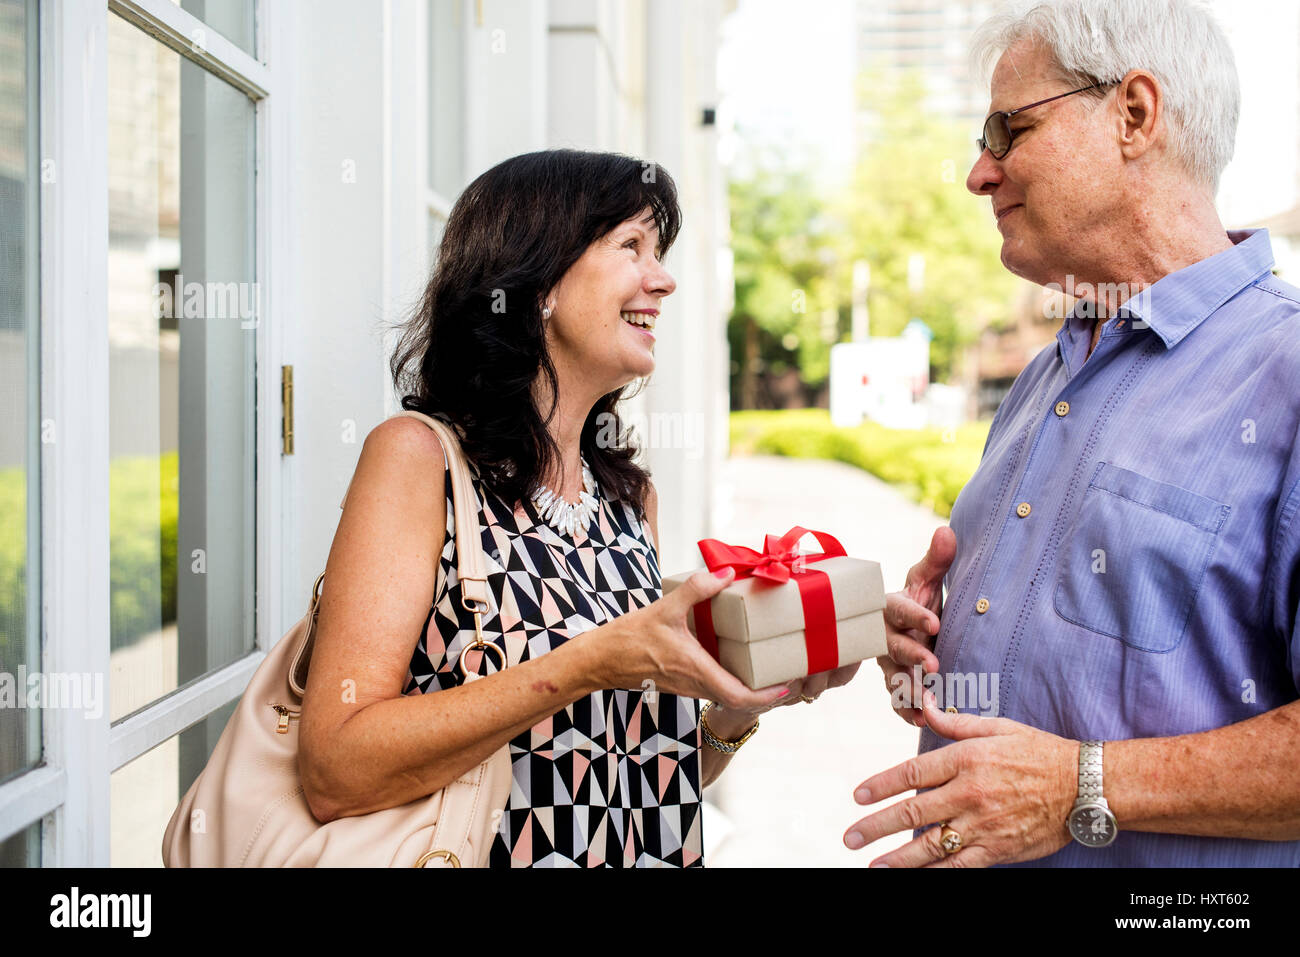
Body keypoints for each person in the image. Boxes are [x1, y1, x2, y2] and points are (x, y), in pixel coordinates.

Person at [298, 149, 859, 868]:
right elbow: (335, 769)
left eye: (659, 251)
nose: (664, 277)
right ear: (537, 285)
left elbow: (638, 777)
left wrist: (738, 707)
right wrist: (590, 662)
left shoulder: (630, 500)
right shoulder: (420, 461)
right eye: (632, 246)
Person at [845, 0, 1300, 867]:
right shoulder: (1044, 376)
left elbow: (1063, 772)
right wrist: (940, 655)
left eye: (1005, 130)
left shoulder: (1287, 372)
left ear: (1134, 114)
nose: (980, 172)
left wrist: (1080, 787)